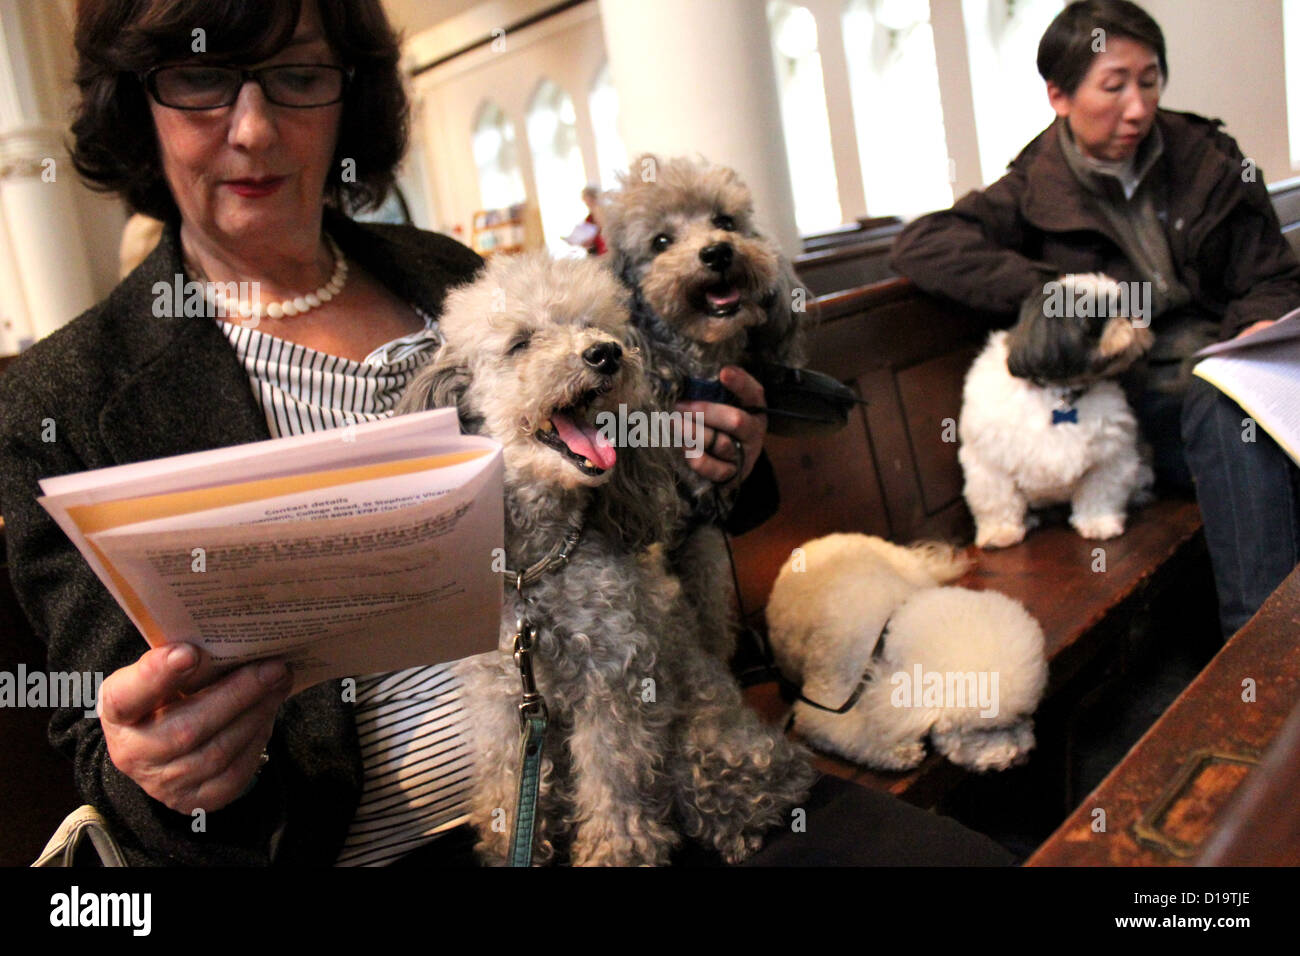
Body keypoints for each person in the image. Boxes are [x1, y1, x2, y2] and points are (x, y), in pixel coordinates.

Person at [0, 0, 1007, 867]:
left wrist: (717, 454)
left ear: (349, 91)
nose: (256, 129)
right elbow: (115, 769)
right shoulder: (73, 397)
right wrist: (169, 771)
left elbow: (640, 483)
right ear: (136, 99)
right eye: (203, 78)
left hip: (649, 757)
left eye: (297, 75)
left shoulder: (446, 272)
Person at [890, 0, 1300, 638]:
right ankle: (1266, 656)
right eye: (1114, 86)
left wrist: (1251, 328)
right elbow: (923, 244)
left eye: (1150, 80)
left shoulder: (1208, 158)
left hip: (1228, 363)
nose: (1138, 107)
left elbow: (1271, 274)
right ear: (1059, 95)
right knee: (1230, 423)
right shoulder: (1036, 185)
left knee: (1237, 410)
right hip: (1138, 399)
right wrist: (1071, 295)